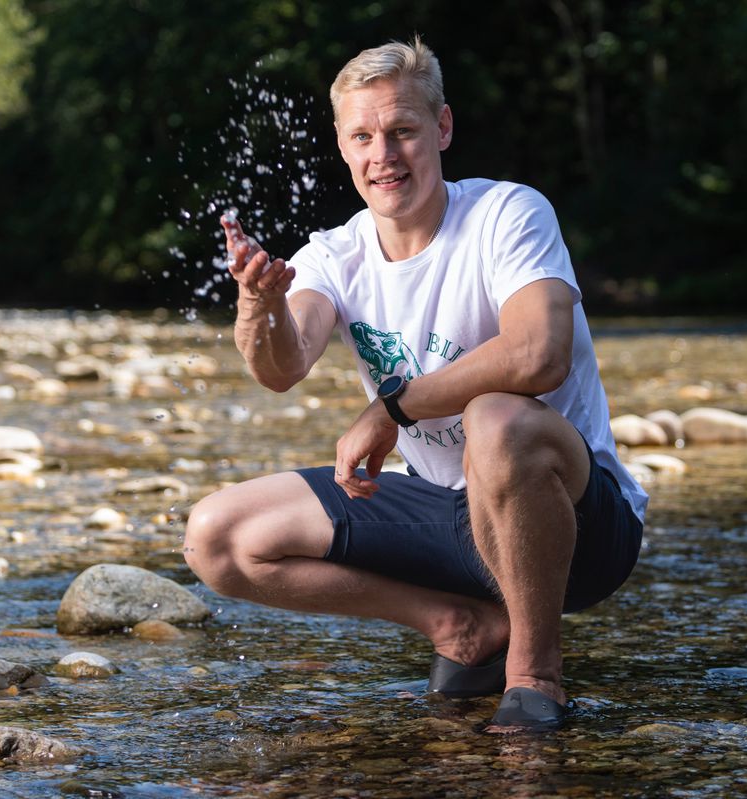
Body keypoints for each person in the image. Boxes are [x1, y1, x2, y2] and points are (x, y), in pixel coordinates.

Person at [183, 36, 646, 732]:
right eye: (363, 136)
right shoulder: (334, 255)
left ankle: (534, 674)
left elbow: (539, 355)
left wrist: (394, 405)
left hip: (582, 527)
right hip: (453, 521)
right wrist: (258, 303)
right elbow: (280, 365)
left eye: (402, 131)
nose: (383, 155)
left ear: (443, 128)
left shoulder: (506, 214)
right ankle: (462, 626)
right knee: (217, 536)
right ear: (342, 144)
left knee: (499, 419)